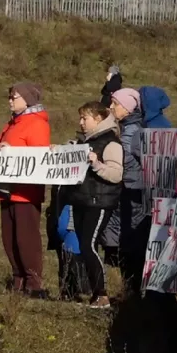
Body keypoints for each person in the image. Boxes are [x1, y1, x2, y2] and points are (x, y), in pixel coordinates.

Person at [0, 82, 50, 297]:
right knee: (9, 239)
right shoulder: (11, 123)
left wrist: (13, 151)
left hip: (25, 192)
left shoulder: (36, 124)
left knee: (26, 239)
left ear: (27, 99)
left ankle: (33, 283)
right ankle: (18, 281)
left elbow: (39, 157)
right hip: (7, 190)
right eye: (9, 97)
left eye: (14, 97)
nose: (10, 101)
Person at [70, 101, 123, 307]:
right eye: (80, 118)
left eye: (85, 118)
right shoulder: (84, 142)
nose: (81, 122)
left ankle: (102, 294)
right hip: (82, 200)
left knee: (88, 245)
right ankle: (95, 294)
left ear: (98, 119)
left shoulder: (111, 143)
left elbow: (116, 174)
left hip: (99, 201)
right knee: (84, 247)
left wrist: (97, 165)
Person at [109, 87, 147, 290]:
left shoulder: (132, 133)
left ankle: (133, 286)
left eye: (115, 104)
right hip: (128, 188)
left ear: (128, 108)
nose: (111, 107)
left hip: (132, 190)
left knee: (131, 239)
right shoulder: (126, 128)